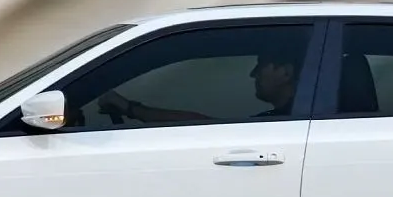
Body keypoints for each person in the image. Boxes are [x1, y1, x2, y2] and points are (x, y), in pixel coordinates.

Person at [95, 53, 298, 125]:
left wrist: (129, 108)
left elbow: (210, 128)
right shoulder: (285, 119)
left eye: (261, 65)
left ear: (285, 73)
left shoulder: (289, 122)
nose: (253, 74)